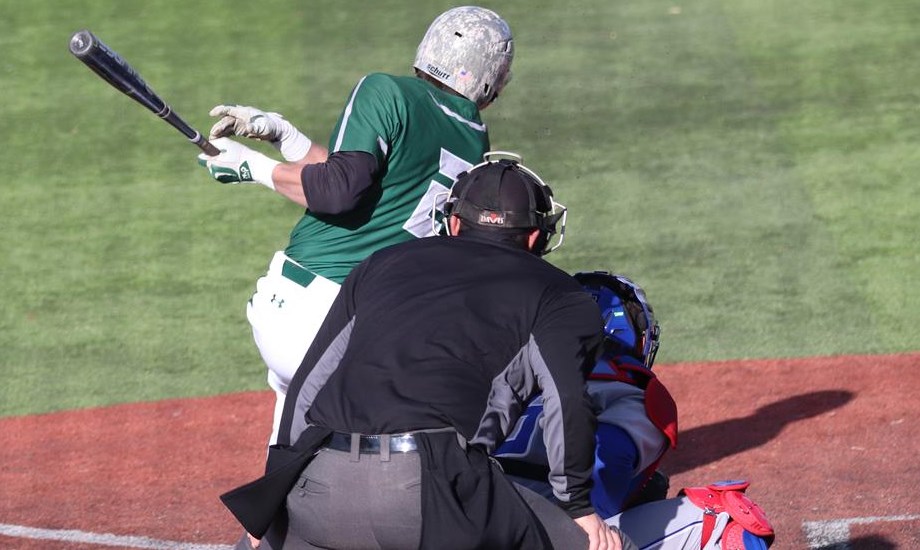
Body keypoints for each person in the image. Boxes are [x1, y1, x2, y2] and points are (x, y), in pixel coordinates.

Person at [219, 153, 636, 550]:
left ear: (453, 222)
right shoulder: (561, 295)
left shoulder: (380, 263)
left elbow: (308, 387)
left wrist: (272, 497)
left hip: (320, 487)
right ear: (534, 235)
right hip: (428, 496)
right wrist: (578, 507)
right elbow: (566, 404)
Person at [196, 6, 515, 444]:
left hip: (299, 311)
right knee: (333, 452)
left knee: (293, 450)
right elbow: (364, 182)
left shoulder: (386, 92)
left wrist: (252, 167)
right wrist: (285, 137)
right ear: (489, 76)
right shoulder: (474, 138)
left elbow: (337, 190)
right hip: (376, 330)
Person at [496, 271, 678, 518]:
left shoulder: (504, 374)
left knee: (649, 487)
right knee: (721, 514)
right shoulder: (630, 391)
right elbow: (607, 457)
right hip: (540, 530)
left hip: (460, 518)